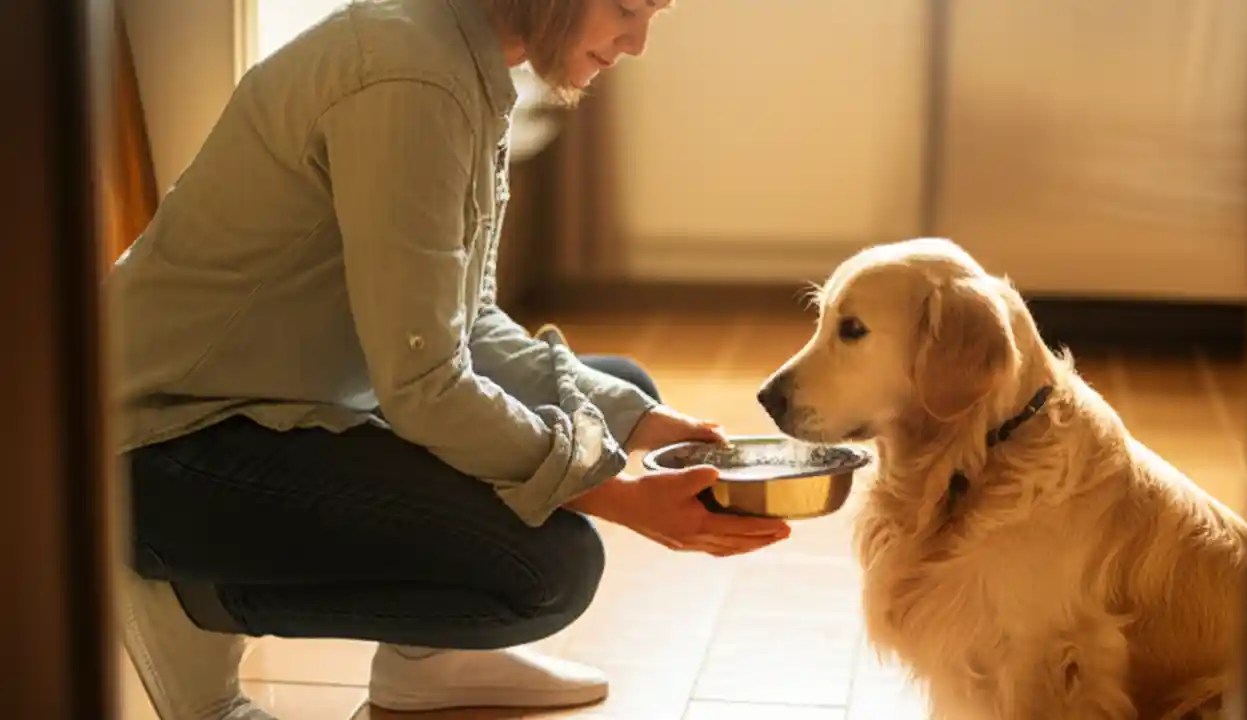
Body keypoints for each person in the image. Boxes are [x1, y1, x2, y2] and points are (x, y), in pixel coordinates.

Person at [109, 1, 792, 718]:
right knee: (550, 568)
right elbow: (426, 382)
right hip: (165, 444)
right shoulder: (412, 81)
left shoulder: (458, 56)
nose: (638, 43)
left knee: (620, 395)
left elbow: (467, 324)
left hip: (289, 401)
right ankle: (189, 595)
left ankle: (431, 663)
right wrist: (613, 498)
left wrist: (646, 421)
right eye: (625, 7)